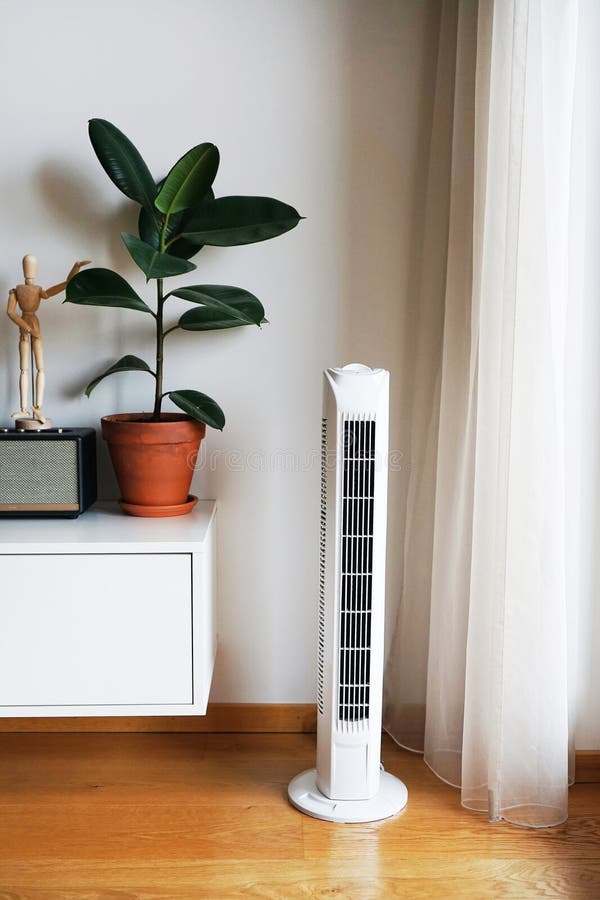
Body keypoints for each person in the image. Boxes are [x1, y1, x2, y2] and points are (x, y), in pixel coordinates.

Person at [6, 255, 90, 425]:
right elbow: (10, 312)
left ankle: (38, 406)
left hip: (34, 326)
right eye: (28, 266)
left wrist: (75, 268)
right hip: (25, 327)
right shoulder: (16, 291)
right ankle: (23, 408)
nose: (30, 271)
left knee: (40, 368)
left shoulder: (38, 290)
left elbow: (62, 286)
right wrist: (25, 326)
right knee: (24, 369)